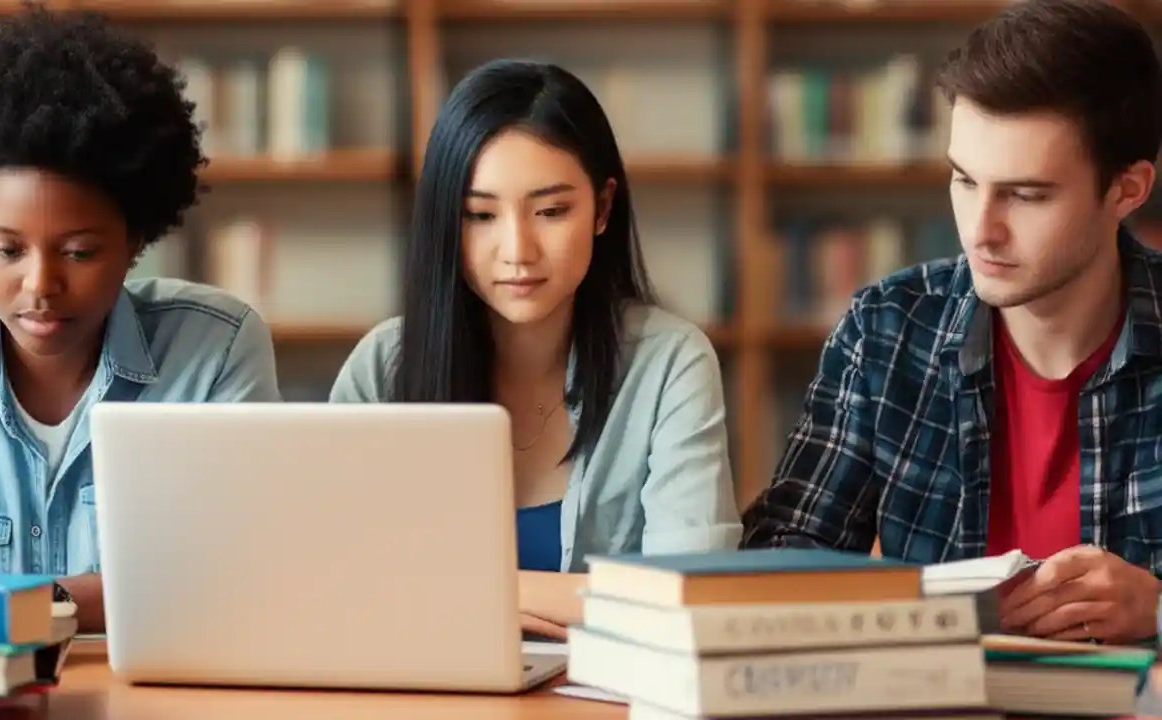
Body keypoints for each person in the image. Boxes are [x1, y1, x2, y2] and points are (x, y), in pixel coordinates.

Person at [741, 0, 1162, 644]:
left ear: (1127, 190)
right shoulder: (887, 327)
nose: (980, 230)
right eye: (964, 180)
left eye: (1025, 195)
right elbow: (777, 565)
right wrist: (929, 612)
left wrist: (1158, 612)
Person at [0, 7, 281, 631]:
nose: (40, 285)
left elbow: (245, 573)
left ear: (135, 241)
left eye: (79, 252)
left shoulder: (215, 351)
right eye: (7, 250)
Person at [330, 59, 741, 639]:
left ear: (601, 209)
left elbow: (694, 593)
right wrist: (595, 598)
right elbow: (333, 587)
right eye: (480, 215)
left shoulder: (670, 364)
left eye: (551, 211)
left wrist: (483, 592)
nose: (517, 250)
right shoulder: (382, 368)